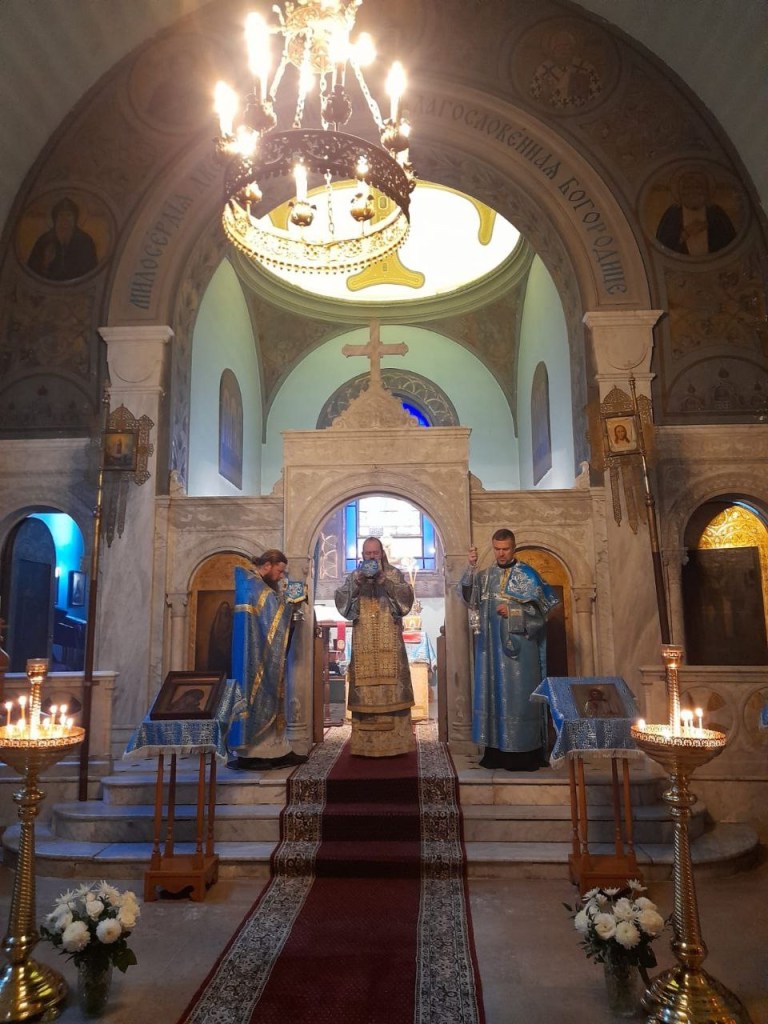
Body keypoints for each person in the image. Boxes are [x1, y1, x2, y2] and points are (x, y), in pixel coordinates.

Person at [460, 529, 559, 771]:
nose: (501, 553)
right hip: (491, 651)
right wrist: (470, 569)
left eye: (505, 549)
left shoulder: (527, 574)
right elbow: (468, 598)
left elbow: (545, 611)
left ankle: (524, 754)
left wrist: (515, 612)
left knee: (519, 698)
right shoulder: (486, 576)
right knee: (493, 695)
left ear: (513, 548)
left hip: (520, 654)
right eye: (497, 549)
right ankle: (494, 752)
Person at [334, 536, 415, 757]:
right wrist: (356, 584)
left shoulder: (393, 574)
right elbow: (341, 602)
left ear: (382, 553)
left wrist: (384, 582)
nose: (371, 557)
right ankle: (365, 746)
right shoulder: (354, 577)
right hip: (364, 644)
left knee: (393, 687)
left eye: (375, 553)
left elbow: (406, 600)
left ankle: (396, 744)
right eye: (367, 554)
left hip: (390, 641)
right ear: (362, 555)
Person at [227, 550, 307, 770]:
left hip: (259, 653)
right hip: (255, 658)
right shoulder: (255, 587)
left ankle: (277, 751)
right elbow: (274, 617)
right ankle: (254, 754)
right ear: (268, 565)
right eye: (280, 571)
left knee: (270, 700)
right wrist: (292, 603)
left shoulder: (255, 585)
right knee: (257, 700)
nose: (281, 576)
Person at [655, 169, 736, 255]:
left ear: (706, 190)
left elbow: (729, 243)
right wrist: (685, 234)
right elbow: (662, 246)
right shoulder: (672, 214)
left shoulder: (716, 213)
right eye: (687, 187)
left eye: (697, 187)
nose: (692, 192)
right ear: (680, 191)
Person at [27, 197, 98, 280]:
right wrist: (45, 263)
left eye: (69, 215)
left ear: (75, 219)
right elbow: (31, 271)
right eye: (61, 215)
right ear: (55, 218)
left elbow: (92, 271)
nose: (65, 220)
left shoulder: (85, 241)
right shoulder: (44, 241)